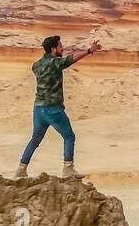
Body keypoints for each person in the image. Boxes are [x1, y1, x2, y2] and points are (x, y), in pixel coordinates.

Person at [15, 34, 101, 179]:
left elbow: (59, 61)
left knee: (35, 139)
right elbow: (71, 59)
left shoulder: (36, 65)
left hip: (38, 109)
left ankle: (21, 169)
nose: (63, 48)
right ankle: (68, 168)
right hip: (53, 109)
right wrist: (89, 51)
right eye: (60, 46)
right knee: (69, 136)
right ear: (53, 49)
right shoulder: (55, 63)